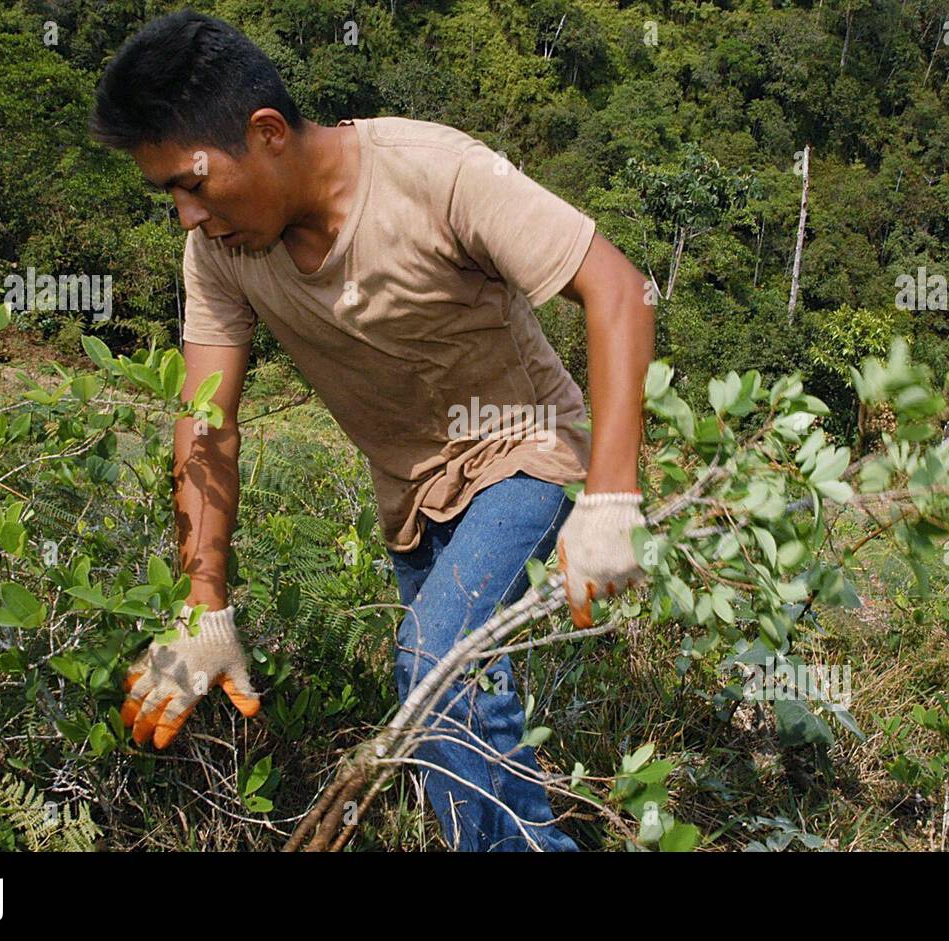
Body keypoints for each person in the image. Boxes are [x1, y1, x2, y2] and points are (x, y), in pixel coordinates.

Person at [88, 8, 654, 852]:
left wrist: (612, 494)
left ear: (267, 132)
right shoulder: (221, 253)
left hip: (527, 452)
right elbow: (206, 422)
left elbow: (617, 289)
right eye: (166, 192)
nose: (186, 216)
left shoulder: (436, 173)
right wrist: (202, 602)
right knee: (469, 706)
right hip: (412, 499)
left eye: (194, 185)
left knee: (431, 666)